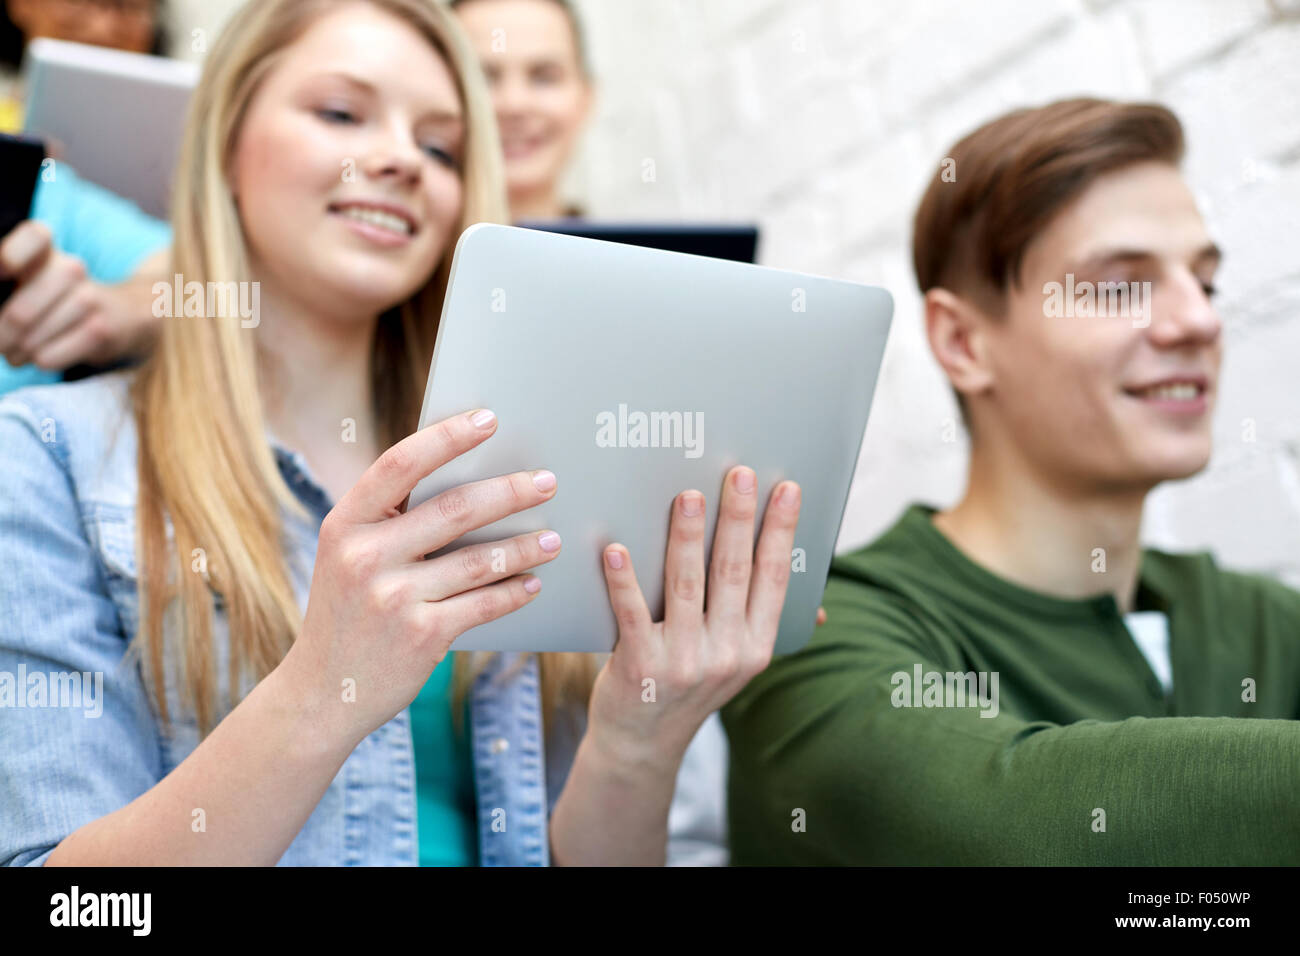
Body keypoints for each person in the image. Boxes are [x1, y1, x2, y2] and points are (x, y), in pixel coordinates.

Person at [0, 0, 807, 867]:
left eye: (440, 147)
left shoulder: (541, 478)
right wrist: (323, 691)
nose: (399, 160)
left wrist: (637, 746)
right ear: (227, 144)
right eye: (342, 113)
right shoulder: (47, 456)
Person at [722, 97, 1300, 865]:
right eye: (1120, 287)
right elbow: (1005, 827)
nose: (1198, 321)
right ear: (963, 343)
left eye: (1206, 283)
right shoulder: (817, 636)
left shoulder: (1266, 626)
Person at [0, 0, 172, 394]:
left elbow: (218, 293)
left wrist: (117, 311)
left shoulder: (51, 189)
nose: (100, 27)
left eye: (128, 8)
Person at [450, 0, 590, 221]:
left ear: (587, 100)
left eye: (545, 77)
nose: (514, 104)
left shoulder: (636, 255)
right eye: (482, 78)